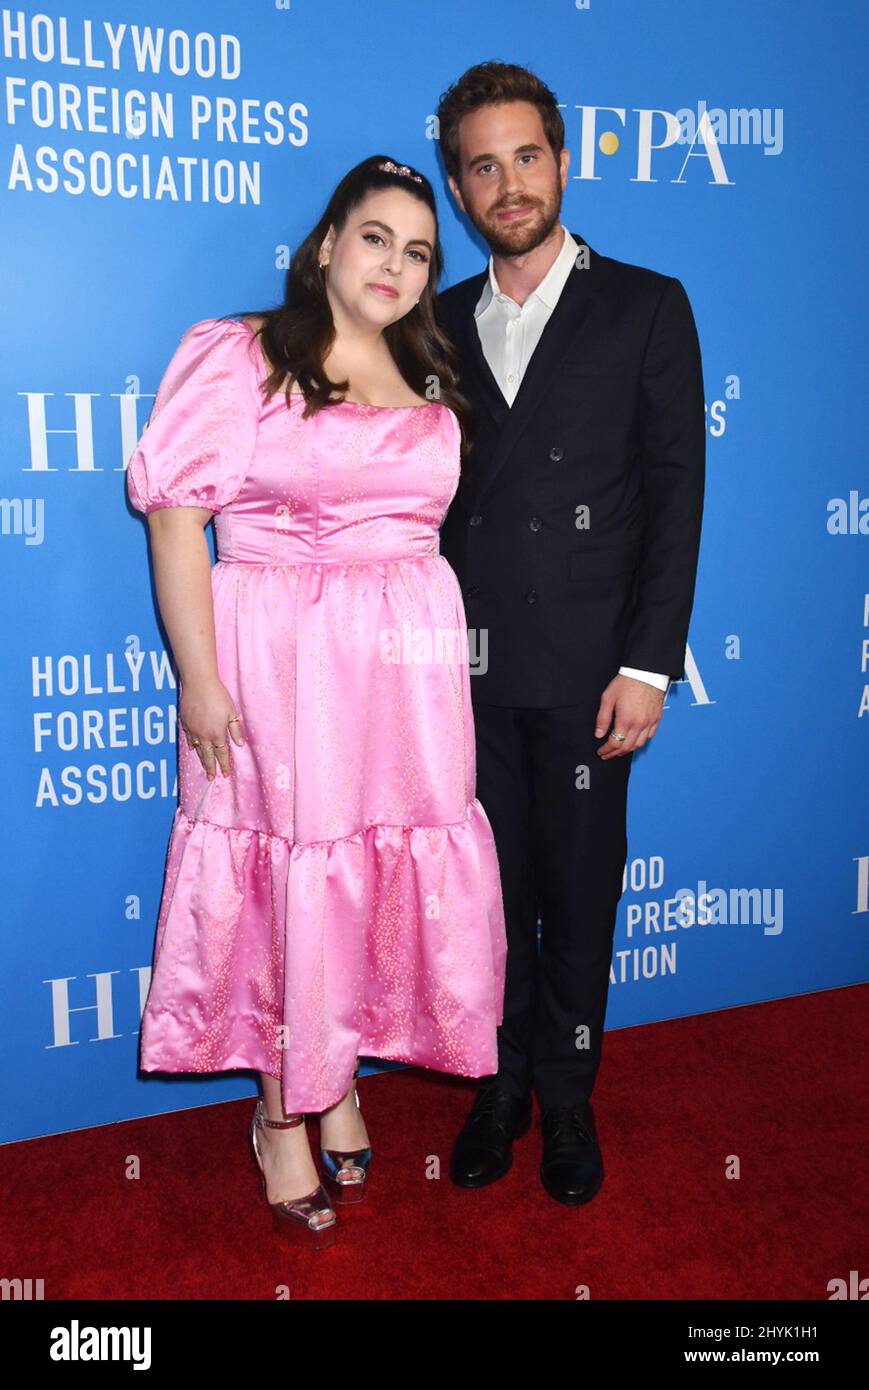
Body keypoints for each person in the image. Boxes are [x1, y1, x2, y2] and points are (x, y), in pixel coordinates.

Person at [126, 155, 507, 1249]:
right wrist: (200, 676)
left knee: (364, 876)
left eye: (419, 251)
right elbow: (175, 520)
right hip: (278, 669)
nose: (395, 262)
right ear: (327, 244)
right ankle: (280, 1109)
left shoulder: (428, 373)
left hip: (400, 676)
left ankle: (333, 1073)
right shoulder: (241, 352)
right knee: (284, 869)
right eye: (375, 236)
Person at [434, 63, 706, 1205]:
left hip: (594, 670)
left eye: (525, 156)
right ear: (457, 185)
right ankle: (496, 1088)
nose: (508, 183)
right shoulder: (435, 321)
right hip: (461, 675)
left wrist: (647, 662)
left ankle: (569, 1094)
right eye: (482, 165)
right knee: (486, 892)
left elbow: (673, 493)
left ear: (561, 159)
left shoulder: (644, 304)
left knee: (580, 890)